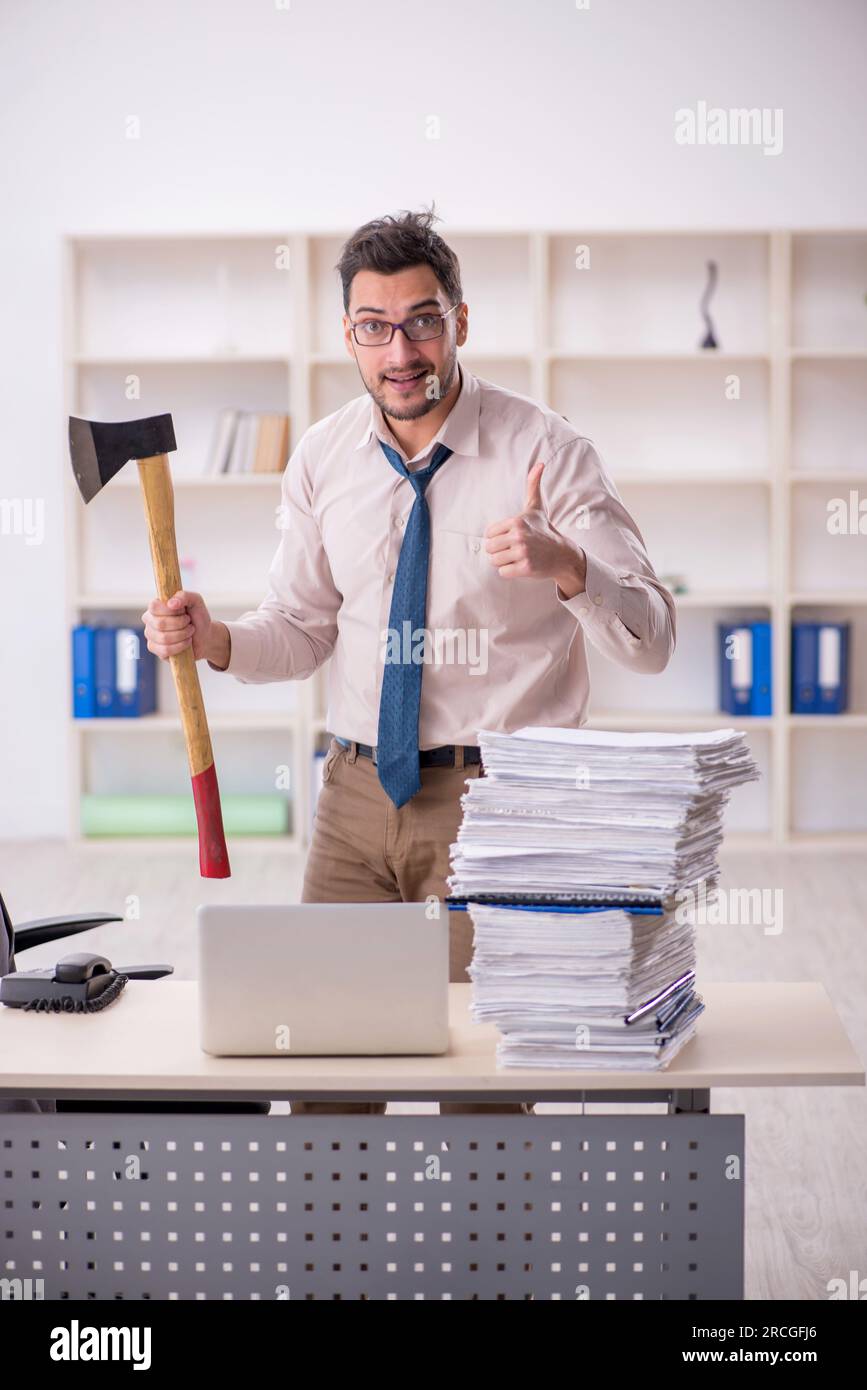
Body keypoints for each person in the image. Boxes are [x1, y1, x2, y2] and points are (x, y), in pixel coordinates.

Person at [143, 206, 676, 1118]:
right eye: (374, 327)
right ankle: (329, 1266)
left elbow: (652, 638)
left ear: (459, 321)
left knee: (480, 1090)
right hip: (353, 803)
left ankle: (485, 1267)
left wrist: (567, 568)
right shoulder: (323, 457)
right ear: (347, 335)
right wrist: (219, 639)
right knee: (323, 1077)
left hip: (497, 810)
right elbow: (302, 626)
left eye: (422, 321)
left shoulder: (546, 451)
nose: (401, 352)